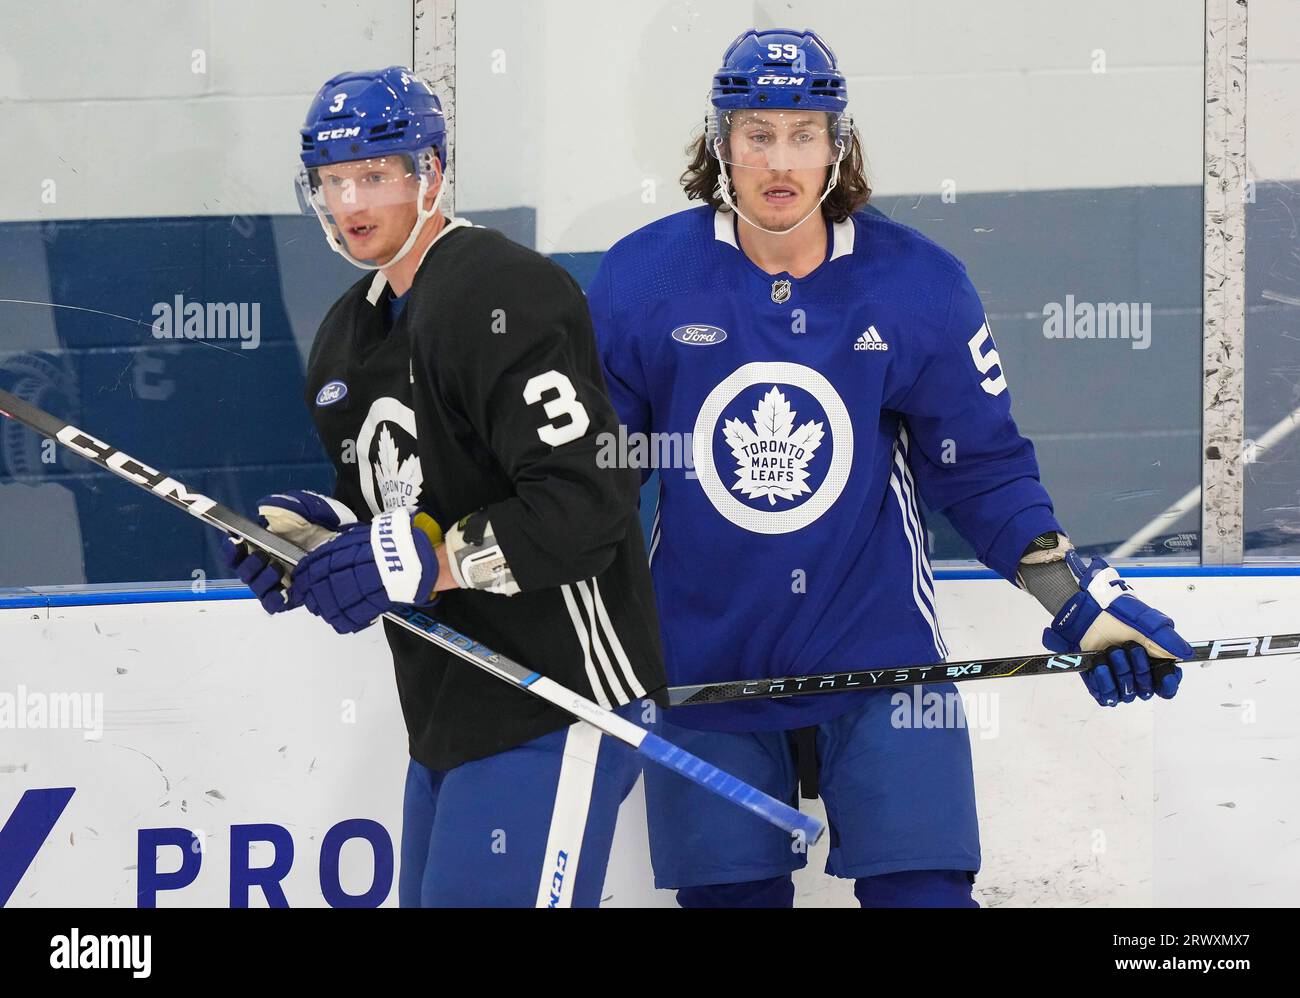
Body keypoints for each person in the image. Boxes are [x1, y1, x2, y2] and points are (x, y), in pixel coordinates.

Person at [587, 29, 1193, 908]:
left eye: (805, 133)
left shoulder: (917, 284)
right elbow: (579, 473)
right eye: (757, 133)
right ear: (721, 142)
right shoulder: (641, 280)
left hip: (881, 664)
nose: (781, 161)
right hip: (702, 668)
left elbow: (981, 471)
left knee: (928, 897)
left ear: (840, 142)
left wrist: (1079, 599)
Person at [224, 66, 665, 907]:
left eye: (375, 174)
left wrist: (431, 563)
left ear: (431, 170)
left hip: (558, 699)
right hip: (447, 713)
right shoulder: (346, 334)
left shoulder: (503, 292)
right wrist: (310, 533)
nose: (351, 201)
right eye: (333, 179)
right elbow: (397, 505)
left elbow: (585, 503)